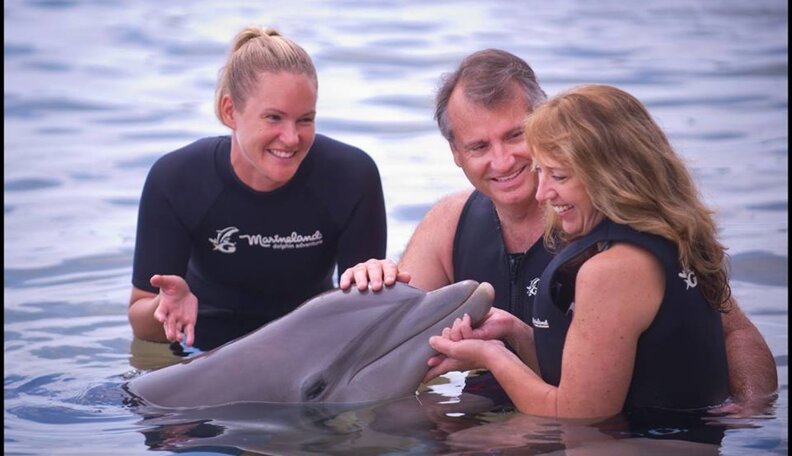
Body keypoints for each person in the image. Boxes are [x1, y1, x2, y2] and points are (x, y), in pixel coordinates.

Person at [339, 49, 777, 405]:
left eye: (515, 135)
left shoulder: (610, 230)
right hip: (500, 414)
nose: (503, 161)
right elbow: (385, 357)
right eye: (478, 146)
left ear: (547, 124)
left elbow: (733, 330)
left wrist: (749, 417)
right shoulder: (450, 222)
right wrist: (374, 283)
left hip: (589, 430)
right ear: (455, 153)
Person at [423, 84, 741, 418]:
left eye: (559, 176)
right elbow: (592, 374)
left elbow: (580, 415)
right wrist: (514, 332)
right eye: (540, 172)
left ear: (609, 174)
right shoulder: (669, 237)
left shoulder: (613, 270)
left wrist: (493, 356)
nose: (543, 193)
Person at [128, 26, 387, 351]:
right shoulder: (177, 179)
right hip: (201, 356)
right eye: (274, 118)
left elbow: (365, 318)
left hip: (311, 356)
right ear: (229, 111)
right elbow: (141, 323)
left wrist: (378, 284)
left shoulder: (351, 176)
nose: (291, 138)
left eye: (305, 120)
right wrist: (164, 309)